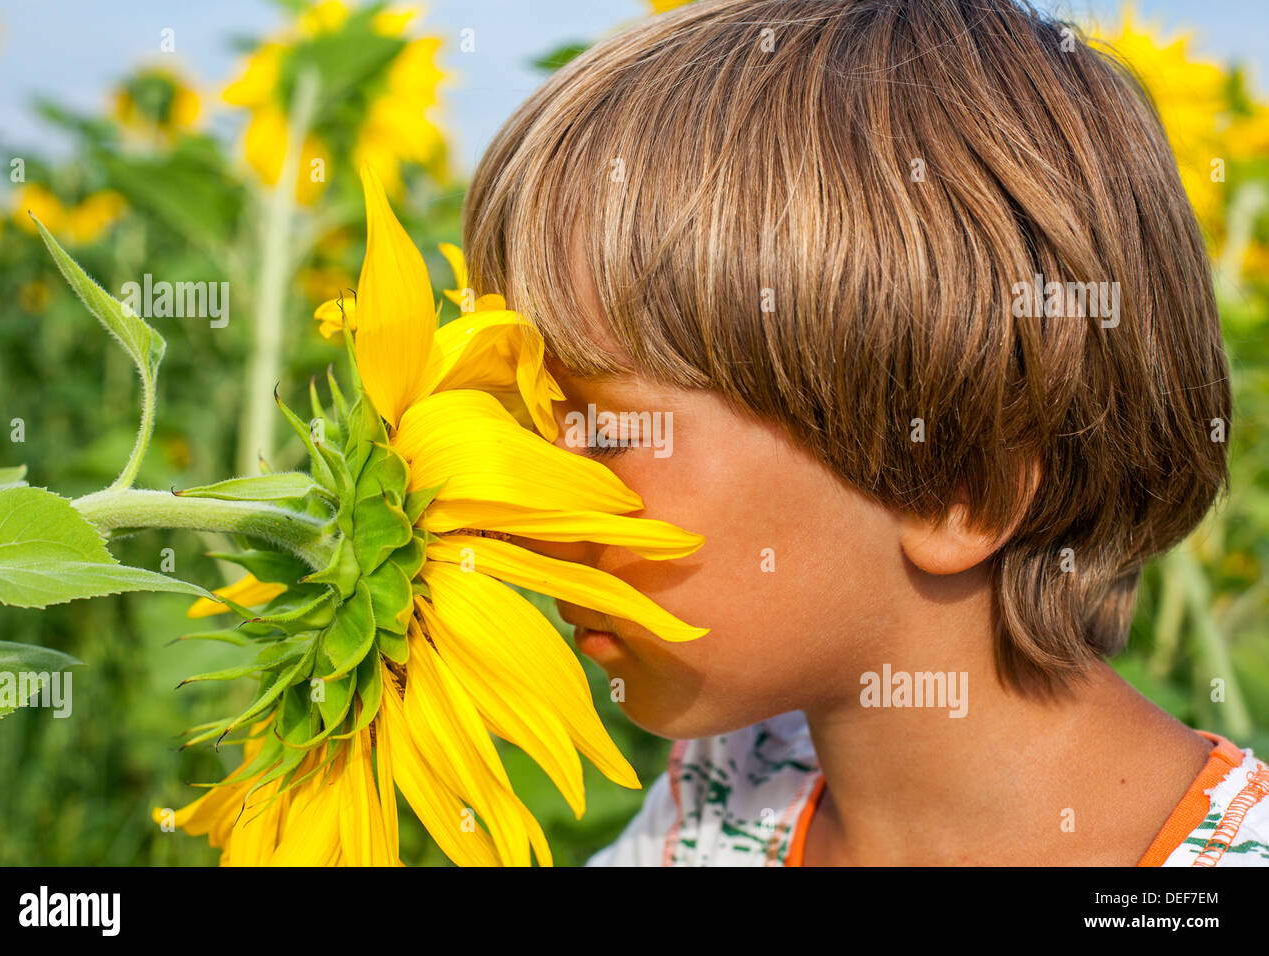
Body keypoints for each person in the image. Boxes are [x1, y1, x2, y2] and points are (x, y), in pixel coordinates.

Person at [462, 0, 1269, 865]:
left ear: (955, 485)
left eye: (608, 432)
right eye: (539, 424)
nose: (527, 515)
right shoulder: (723, 797)